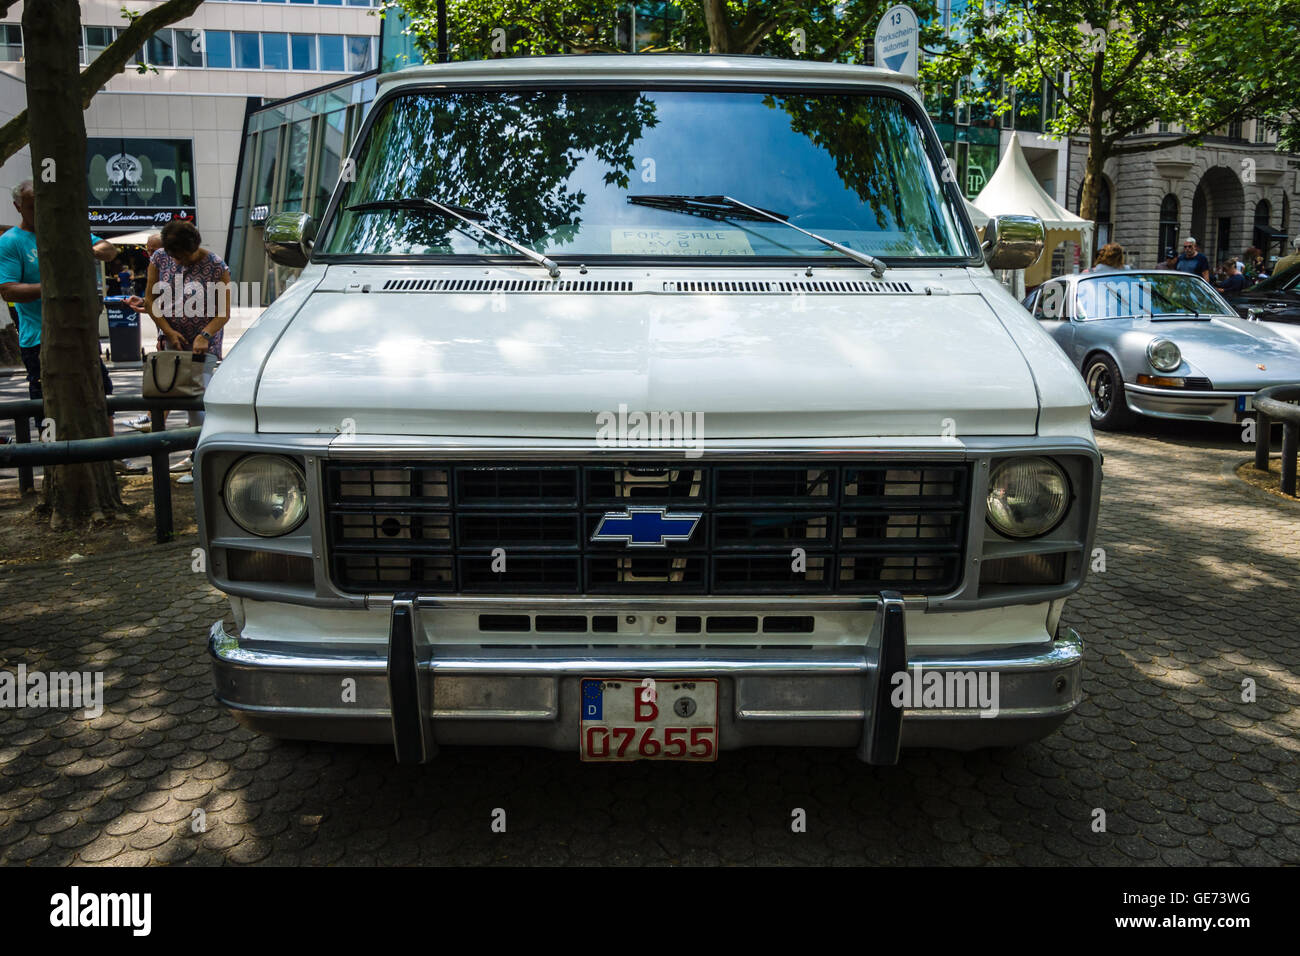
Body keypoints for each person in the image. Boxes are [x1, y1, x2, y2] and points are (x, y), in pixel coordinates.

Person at [0, 180, 121, 430]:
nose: (41, 212)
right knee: (48, 402)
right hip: (40, 339)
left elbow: (109, 249)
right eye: (33, 207)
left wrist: (92, 249)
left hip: (80, 333)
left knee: (100, 391)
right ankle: (52, 458)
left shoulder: (66, 230)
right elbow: (8, 289)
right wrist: (55, 289)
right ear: (18, 207)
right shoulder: (11, 242)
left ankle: (111, 457)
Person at [127, 220, 232, 483]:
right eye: (174, 256)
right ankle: (192, 454)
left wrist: (204, 335)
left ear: (195, 246)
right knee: (170, 392)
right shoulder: (160, 258)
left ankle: (200, 461)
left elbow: (223, 313)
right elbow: (151, 300)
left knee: (197, 401)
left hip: (203, 345)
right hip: (172, 342)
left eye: (183, 256)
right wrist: (167, 331)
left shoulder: (216, 266)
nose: (179, 261)